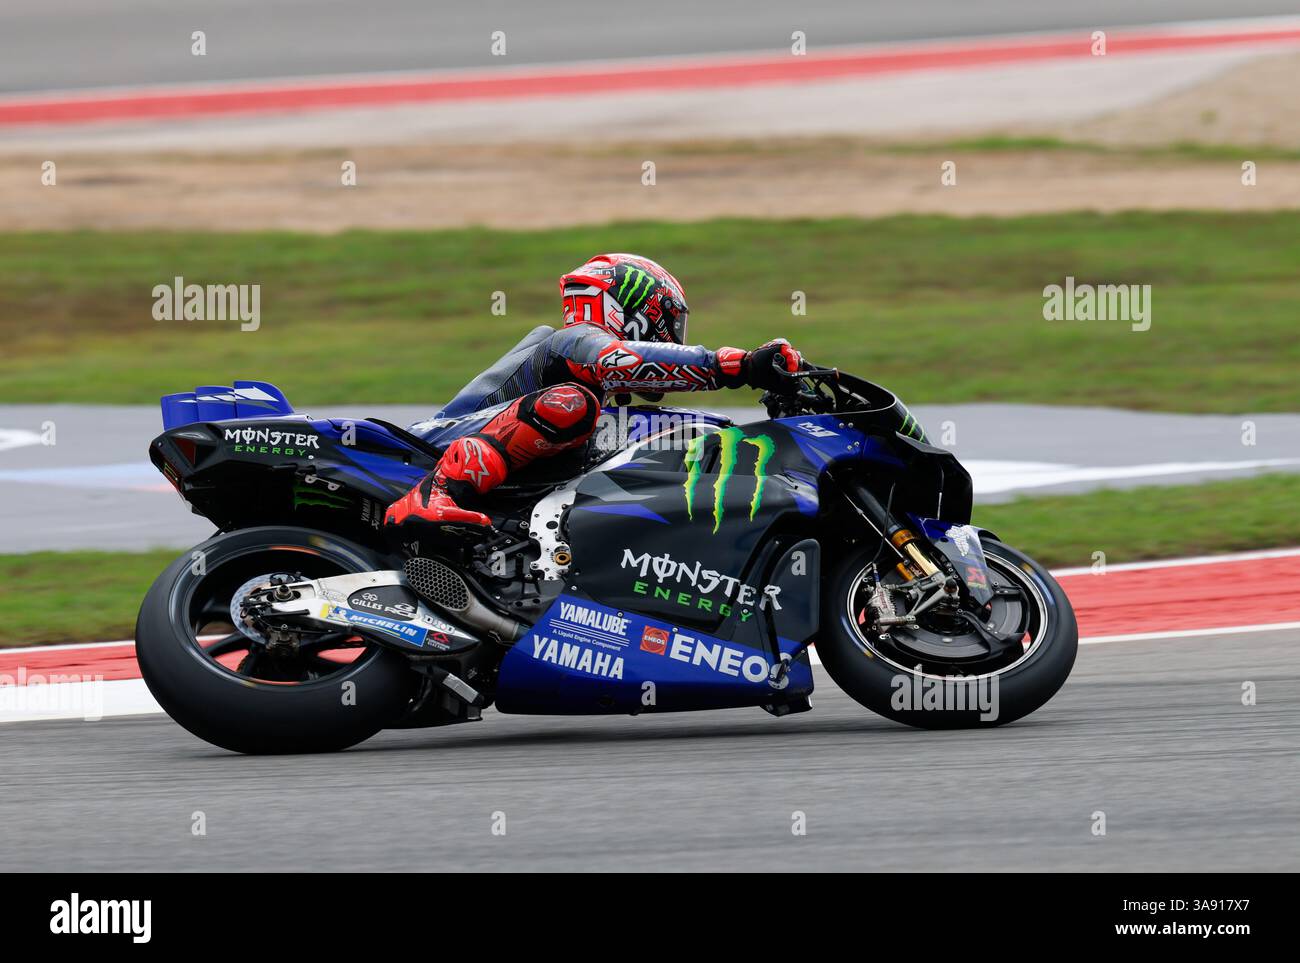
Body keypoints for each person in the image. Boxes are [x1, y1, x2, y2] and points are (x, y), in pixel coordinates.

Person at [384, 253, 802, 539]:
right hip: (428, 446)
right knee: (572, 405)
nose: (671, 338)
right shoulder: (574, 340)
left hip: (480, 450)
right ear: (635, 311)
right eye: (667, 324)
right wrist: (736, 366)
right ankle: (433, 496)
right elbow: (619, 361)